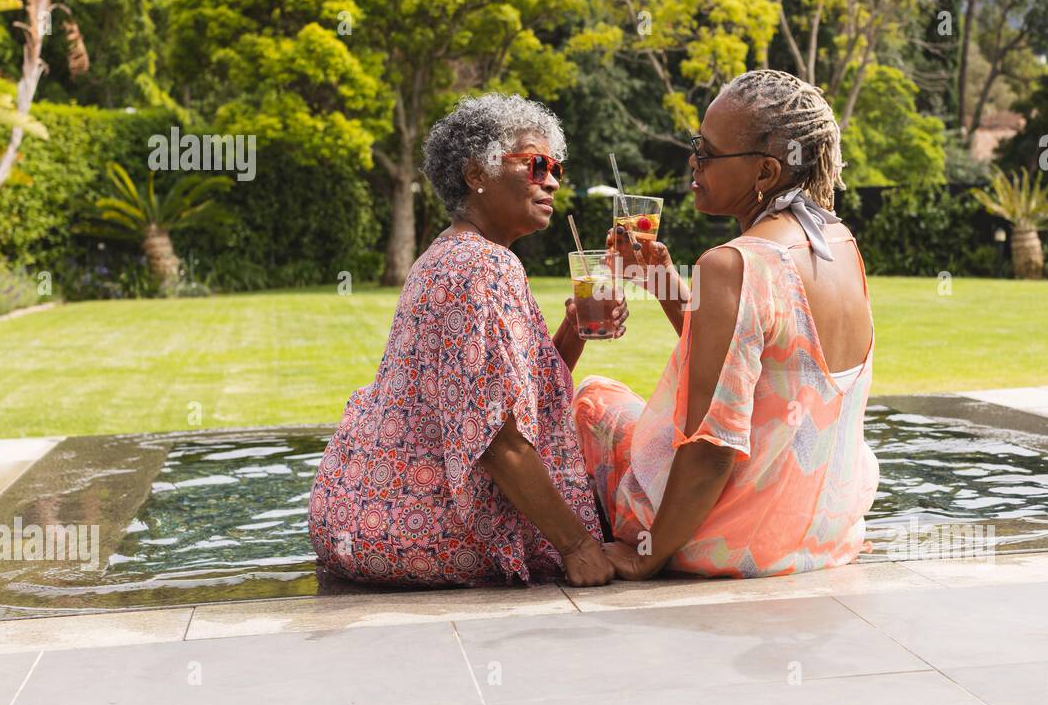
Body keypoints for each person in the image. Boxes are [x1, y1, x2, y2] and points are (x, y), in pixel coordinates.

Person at [309, 93, 626, 588]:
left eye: (556, 168)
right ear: (476, 174)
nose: (550, 180)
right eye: (534, 163)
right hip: (421, 534)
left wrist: (575, 327)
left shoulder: (447, 254)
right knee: (639, 482)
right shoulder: (482, 266)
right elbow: (498, 440)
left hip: (359, 517)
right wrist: (578, 547)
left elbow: (522, 398)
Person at [574, 69, 878, 579]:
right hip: (820, 536)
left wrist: (647, 556)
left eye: (707, 152)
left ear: (764, 172)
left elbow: (713, 447)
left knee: (594, 399)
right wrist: (665, 283)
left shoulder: (732, 264)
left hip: (731, 542)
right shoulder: (842, 244)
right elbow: (762, 380)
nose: (694, 161)